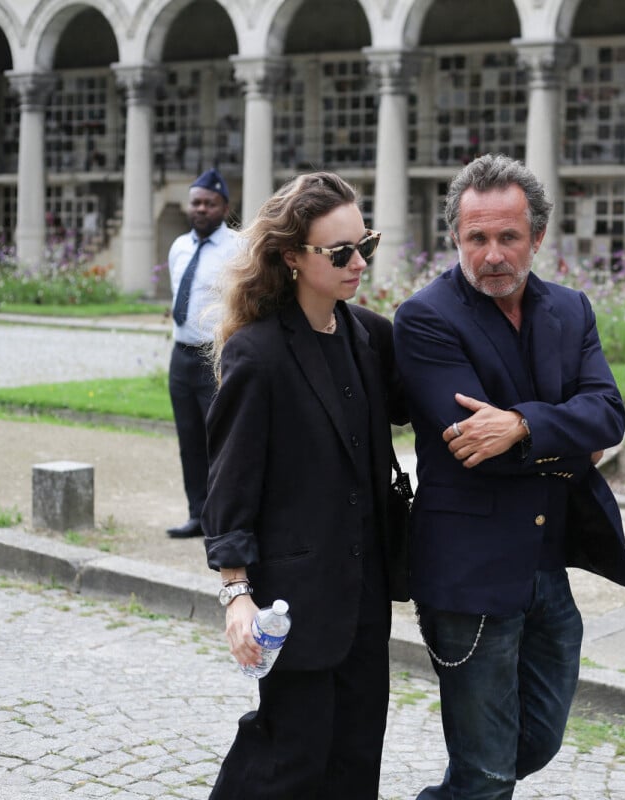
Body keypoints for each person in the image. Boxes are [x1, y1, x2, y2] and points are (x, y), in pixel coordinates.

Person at [392, 153, 625, 799]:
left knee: (539, 741)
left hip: (548, 561)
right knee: (488, 772)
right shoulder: (424, 318)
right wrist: (566, 437)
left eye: (508, 236)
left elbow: (608, 414)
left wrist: (525, 427)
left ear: (536, 236)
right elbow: (478, 446)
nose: (493, 253)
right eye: (478, 238)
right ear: (456, 238)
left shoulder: (571, 308)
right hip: (467, 573)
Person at [201, 172, 406, 798]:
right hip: (294, 601)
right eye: (338, 252)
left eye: (364, 244)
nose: (357, 262)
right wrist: (237, 594)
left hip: (367, 596)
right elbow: (230, 485)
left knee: (356, 761)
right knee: (288, 759)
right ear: (291, 257)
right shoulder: (257, 354)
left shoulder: (372, 336)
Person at [166, 167, 240, 539]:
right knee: (189, 440)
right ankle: (197, 514)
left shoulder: (237, 248)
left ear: (224, 207)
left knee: (221, 443)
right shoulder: (179, 246)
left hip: (215, 358)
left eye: (210, 203)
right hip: (180, 357)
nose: (201, 209)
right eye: (196, 202)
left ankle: (222, 521)